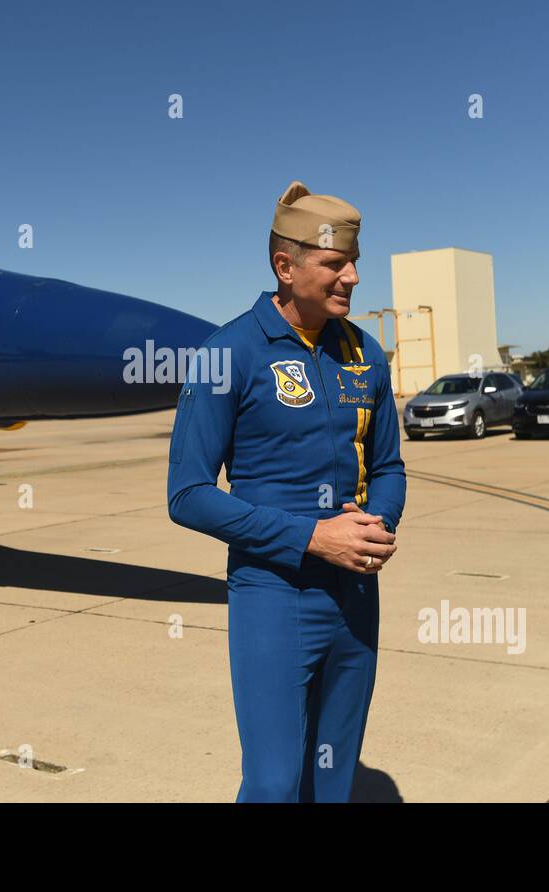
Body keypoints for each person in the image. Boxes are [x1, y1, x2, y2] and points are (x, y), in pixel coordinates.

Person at [167, 180, 405, 801]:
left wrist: (377, 525)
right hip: (273, 595)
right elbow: (187, 494)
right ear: (285, 266)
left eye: (355, 262)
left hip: (355, 594)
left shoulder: (366, 354)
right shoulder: (228, 353)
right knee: (273, 784)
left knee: (332, 782)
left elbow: (389, 466)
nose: (353, 277)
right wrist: (313, 538)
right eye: (335, 263)